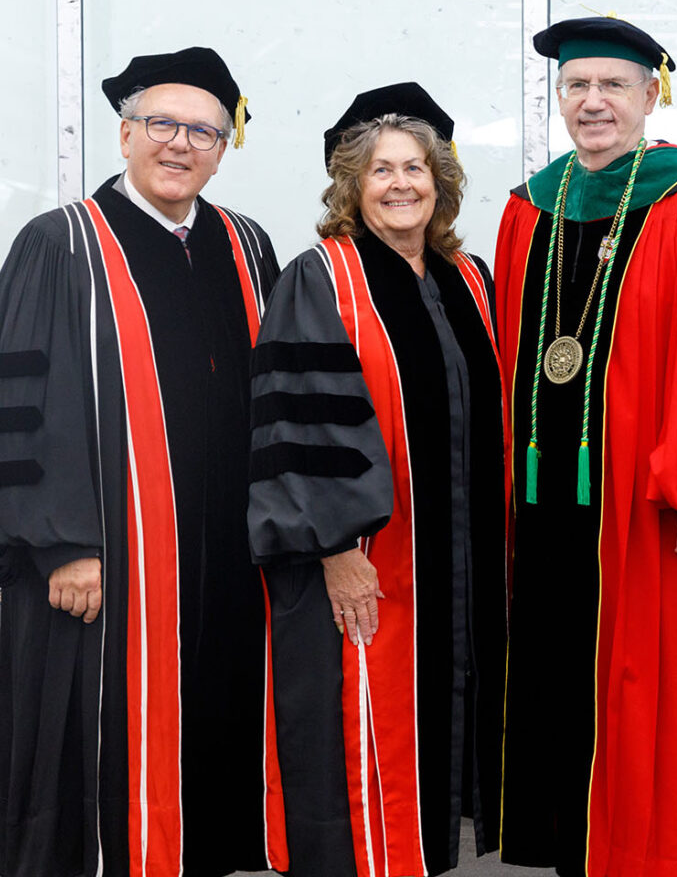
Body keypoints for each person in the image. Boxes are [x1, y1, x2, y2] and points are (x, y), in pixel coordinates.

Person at [0, 47, 281, 876]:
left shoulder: (247, 245)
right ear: (125, 134)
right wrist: (61, 543)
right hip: (104, 561)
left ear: (225, 145)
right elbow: (12, 407)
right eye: (163, 124)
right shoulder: (60, 244)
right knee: (96, 765)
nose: (181, 144)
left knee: (209, 743)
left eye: (203, 130)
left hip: (220, 562)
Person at [493, 16, 677, 877]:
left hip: (656, 508)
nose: (593, 103)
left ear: (651, 94)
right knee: (561, 688)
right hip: (551, 507)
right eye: (576, 87)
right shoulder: (530, 206)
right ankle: (574, 851)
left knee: (666, 703)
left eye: (613, 86)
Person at [247, 83, 506, 877]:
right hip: (366, 560)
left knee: (429, 739)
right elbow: (297, 429)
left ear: (442, 181)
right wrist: (334, 549)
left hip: (452, 564)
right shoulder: (322, 275)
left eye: (417, 168)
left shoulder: (470, 279)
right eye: (381, 171)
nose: (402, 184)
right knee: (357, 742)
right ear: (352, 186)